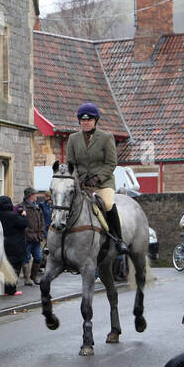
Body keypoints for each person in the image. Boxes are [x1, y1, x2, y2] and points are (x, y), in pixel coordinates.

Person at [64, 102, 128, 255]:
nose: (86, 122)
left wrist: (98, 178)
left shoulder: (106, 138)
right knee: (63, 203)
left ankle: (118, 239)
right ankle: (56, 240)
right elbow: (70, 163)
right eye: (83, 120)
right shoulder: (73, 139)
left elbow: (111, 163)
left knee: (107, 204)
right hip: (80, 183)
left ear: (95, 121)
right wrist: (75, 179)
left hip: (102, 183)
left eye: (89, 120)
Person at [0, 195, 27, 295]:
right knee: (15, 268)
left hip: (1, 245)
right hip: (15, 246)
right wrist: (23, 215)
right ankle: (11, 290)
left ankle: (3, 290)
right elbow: (24, 224)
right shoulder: (14, 216)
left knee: (3, 268)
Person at [21, 188, 45, 283]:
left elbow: (42, 221)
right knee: (26, 258)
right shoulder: (22, 207)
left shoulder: (37, 207)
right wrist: (27, 233)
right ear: (30, 195)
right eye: (34, 194)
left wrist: (42, 232)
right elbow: (21, 222)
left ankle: (33, 277)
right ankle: (27, 279)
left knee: (38, 257)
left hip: (37, 238)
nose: (36, 196)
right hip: (27, 238)